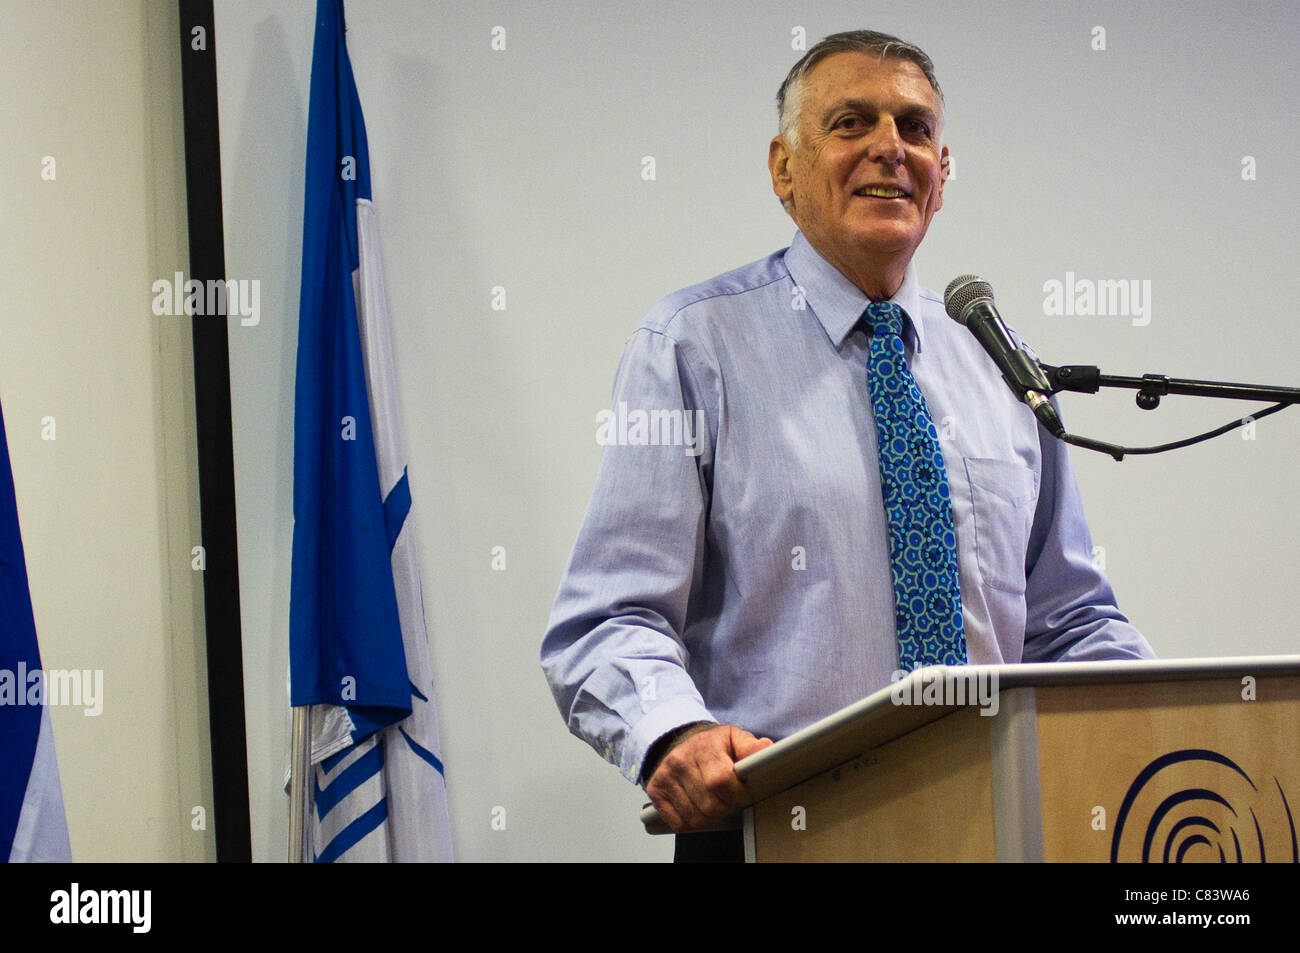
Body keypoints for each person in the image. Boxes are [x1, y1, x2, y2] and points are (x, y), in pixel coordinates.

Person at [540, 30, 1154, 861]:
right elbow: (609, 617)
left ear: (942, 175)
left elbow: (1069, 620)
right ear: (783, 170)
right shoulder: (691, 348)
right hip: (780, 829)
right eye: (851, 123)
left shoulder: (999, 363)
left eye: (915, 127)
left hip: (999, 823)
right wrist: (670, 730)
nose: (889, 149)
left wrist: (1168, 721)